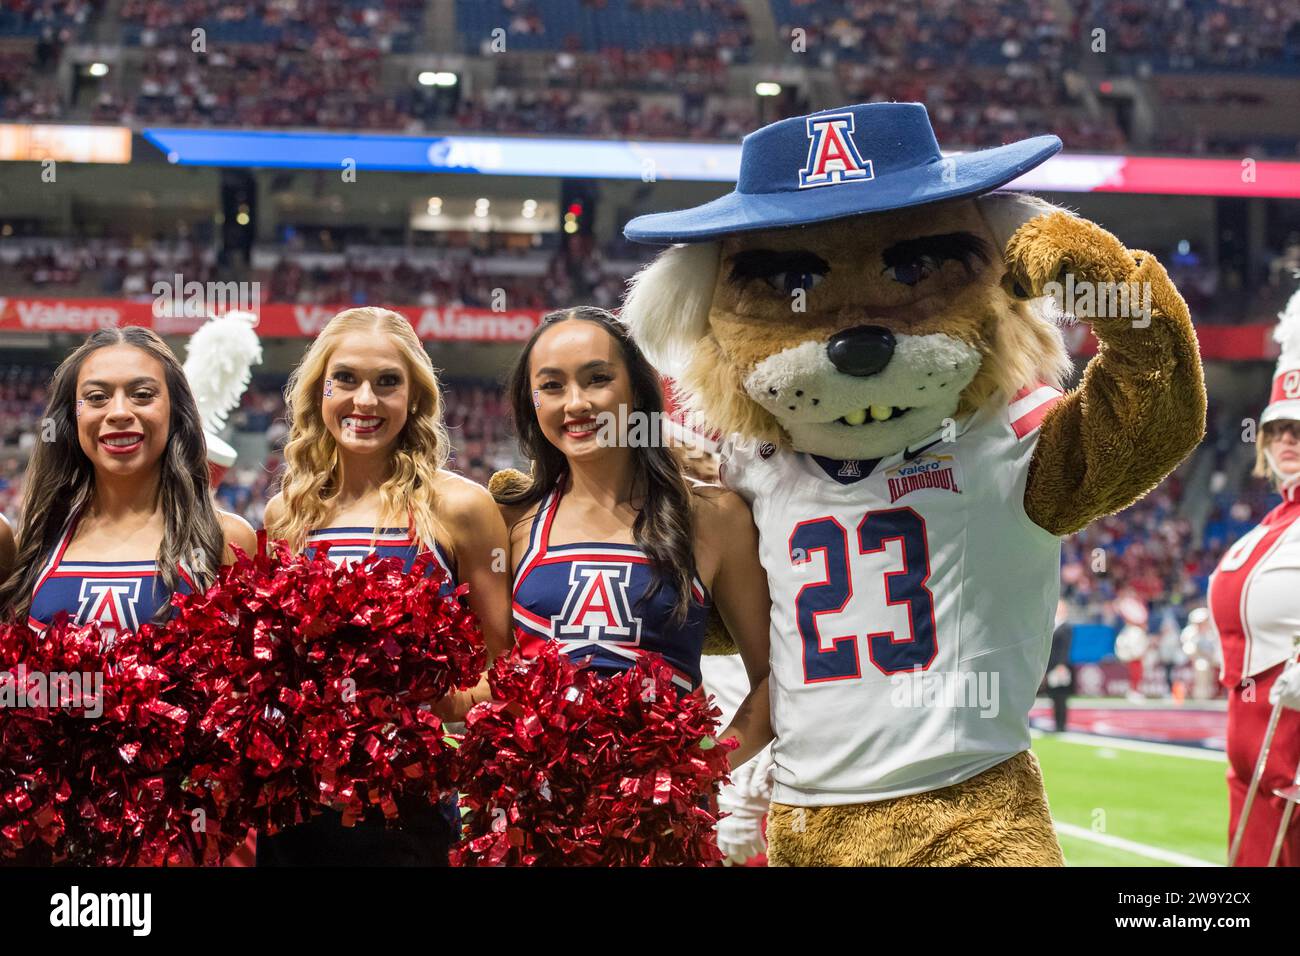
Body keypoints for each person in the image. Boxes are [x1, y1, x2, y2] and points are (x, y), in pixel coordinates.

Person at [257, 306, 512, 866]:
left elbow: (510, 667)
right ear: (319, 392)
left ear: (415, 397)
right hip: (295, 807)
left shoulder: (461, 508)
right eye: (345, 379)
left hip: (411, 813)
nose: (364, 400)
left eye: (387, 382)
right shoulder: (286, 513)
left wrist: (451, 703)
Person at [494, 306, 773, 771]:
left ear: (638, 390)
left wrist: (703, 770)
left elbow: (773, 679)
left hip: (657, 830)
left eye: (597, 378)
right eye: (551, 386)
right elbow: (489, 679)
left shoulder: (714, 517)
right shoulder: (509, 520)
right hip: (536, 823)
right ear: (532, 403)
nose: (575, 403)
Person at [0, 326, 256, 635]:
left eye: (143, 395)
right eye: (96, 398)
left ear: (176, 412)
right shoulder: (32, 542)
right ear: (72, 415)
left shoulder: (226, 540)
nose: (119, 412)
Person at [1208, 294, 1300, 865]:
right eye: (1277, 430)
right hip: (1250, 754)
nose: (1287, 440)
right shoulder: (1268, 524)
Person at [1045, 600, 1074, 733]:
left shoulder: (1065, 627)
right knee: (1054, 696)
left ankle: (1061, 724)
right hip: (1052, 665)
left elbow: (1064, 649)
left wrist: (1061, 664)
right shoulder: (1055, 625)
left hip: (1059, 666)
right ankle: (1057, 723)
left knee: (1060, 697)